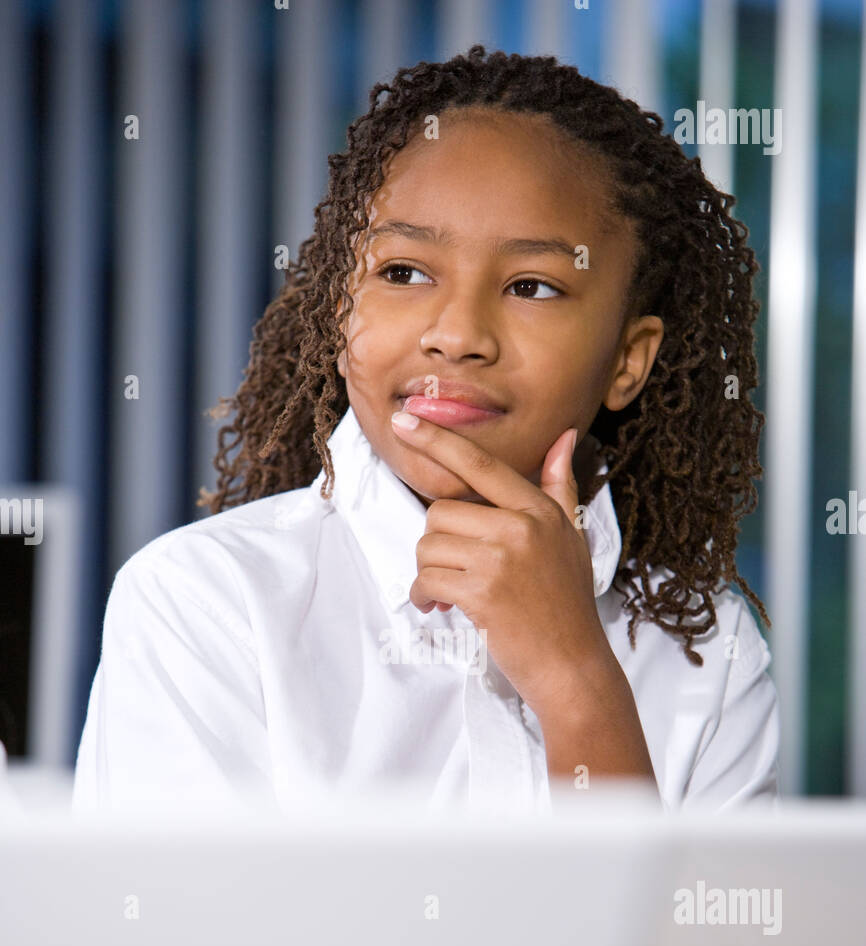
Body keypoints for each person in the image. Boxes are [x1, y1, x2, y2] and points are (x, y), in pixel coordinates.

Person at [72, 45, 779, 814]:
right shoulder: (205, 603)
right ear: (339, 307)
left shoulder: (713, 654)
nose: (457, 334)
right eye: (403, 272)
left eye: (532, 286)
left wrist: (577, 683)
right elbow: (187, 932)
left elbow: (694, 937)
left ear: (628, 362)